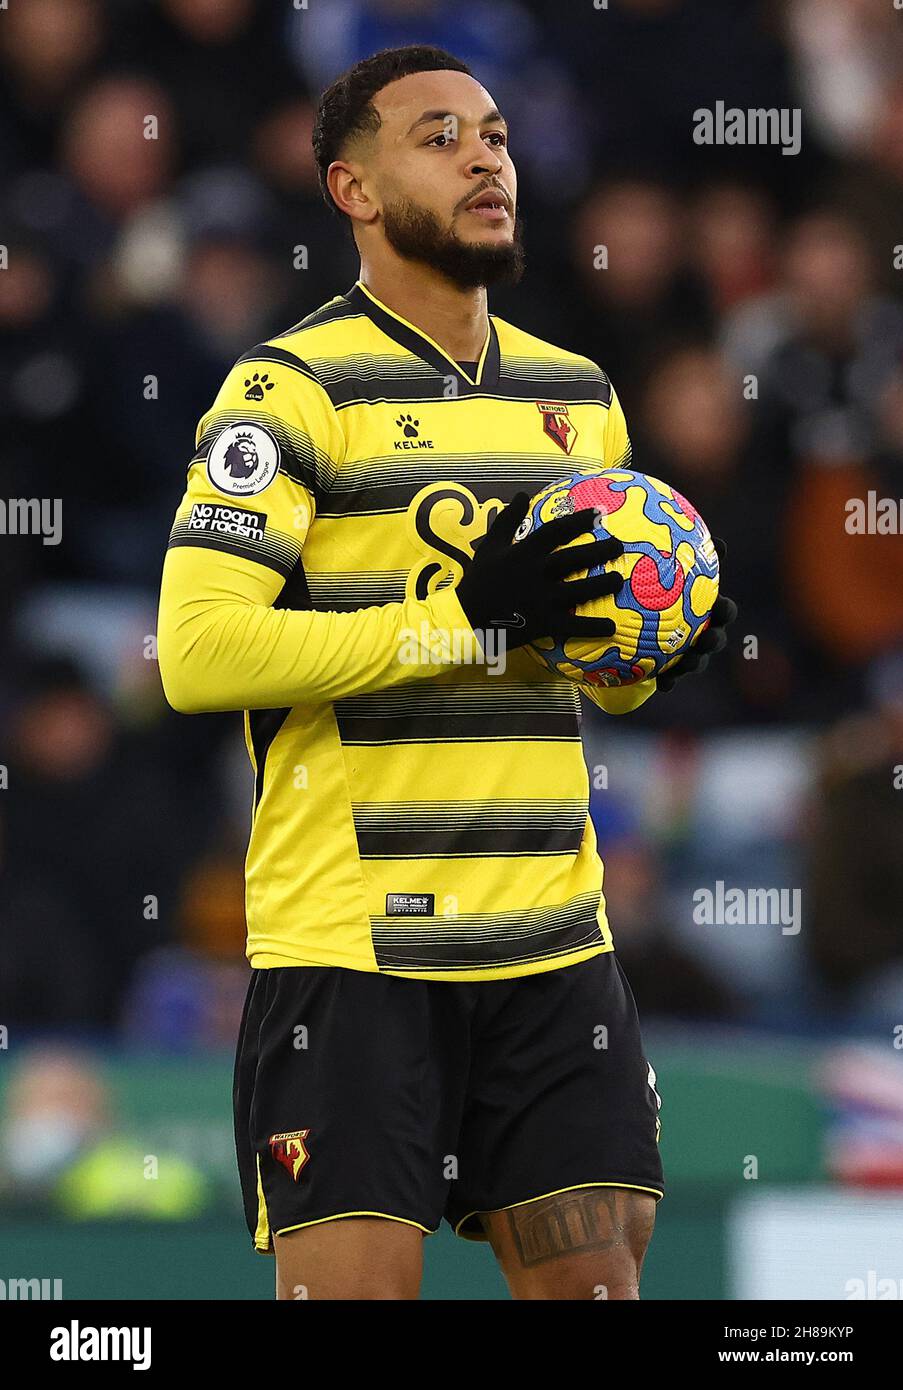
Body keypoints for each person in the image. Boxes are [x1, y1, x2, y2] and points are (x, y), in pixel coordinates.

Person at [157, 45, 734, 1300]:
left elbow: (599, 678)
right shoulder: (288, 391)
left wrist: (665, 645)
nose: (486, 156)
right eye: (438, 136)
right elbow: (198, 655)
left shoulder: (576, 401)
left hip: (551, 939)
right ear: (350, 190)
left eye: (498, 136)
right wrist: (457, 622)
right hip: (359, 952)